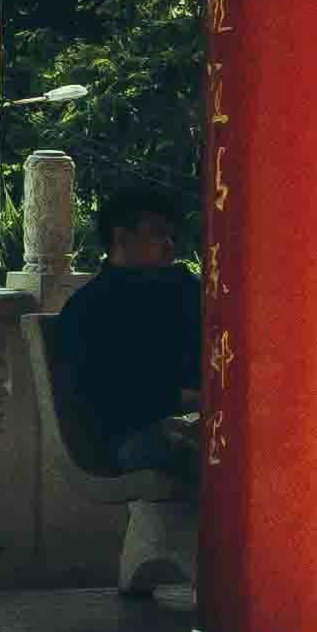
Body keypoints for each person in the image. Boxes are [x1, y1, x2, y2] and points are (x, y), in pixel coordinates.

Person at [51, 184, 204, 603]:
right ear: (122, 238)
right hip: (126, 436)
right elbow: (100, 396)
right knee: (218, 455)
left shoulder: (186, 292)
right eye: (158, 234)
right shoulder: (92, 308)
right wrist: (178, 403)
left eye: (171, 236)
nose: (169, 246)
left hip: (197, 422)